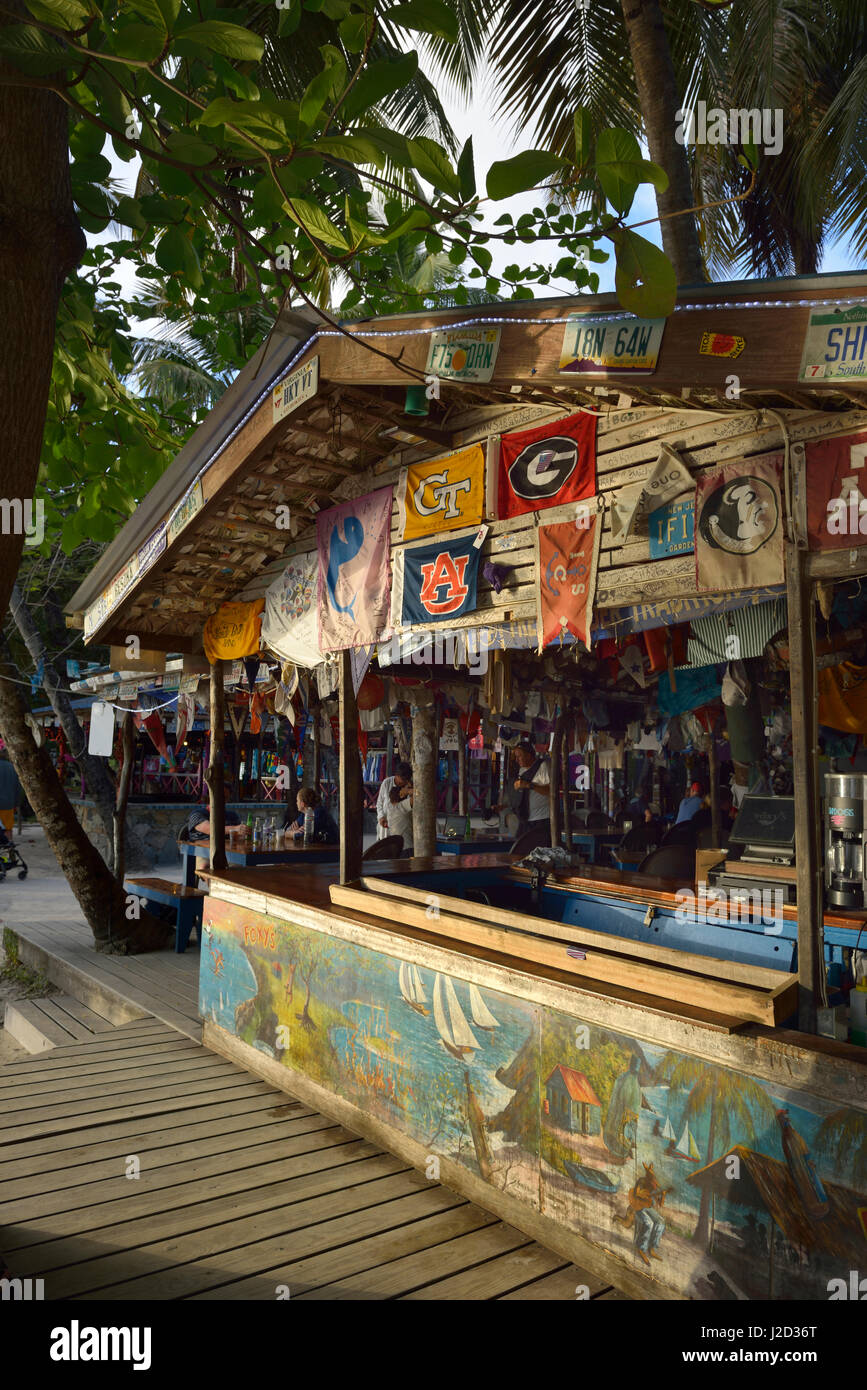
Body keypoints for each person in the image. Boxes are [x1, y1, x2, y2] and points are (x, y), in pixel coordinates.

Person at [512, 740, 551, 835]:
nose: (517, 760)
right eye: (516, 757)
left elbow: (550, 791)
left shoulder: (543, 767)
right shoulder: (522, 770)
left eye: (519, 756)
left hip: (541, 819)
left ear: (529, 755)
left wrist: (529, 785)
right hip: (525, 819)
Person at [376, 760, 412, 839]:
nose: (402, 782)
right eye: (401, 779)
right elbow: (379, 803)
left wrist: (409, 790)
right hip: (385, 826)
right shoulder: (386, 783)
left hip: (401, 828)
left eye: (405, 780)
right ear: (396, 775)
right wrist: (381, 817)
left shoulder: (408, 787)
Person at [385, 778, 414, 852]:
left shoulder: (389, 806)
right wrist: (408, 791)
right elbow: (418, 796)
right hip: (407, 848)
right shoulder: (401, 806)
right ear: (401, 795)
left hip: (396, 849)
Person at [0, 749, 21, 837]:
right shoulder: (13, 768)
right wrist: (16, 803)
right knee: (7, 828)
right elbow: (17, 788)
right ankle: (9, 847)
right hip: (8, 803)